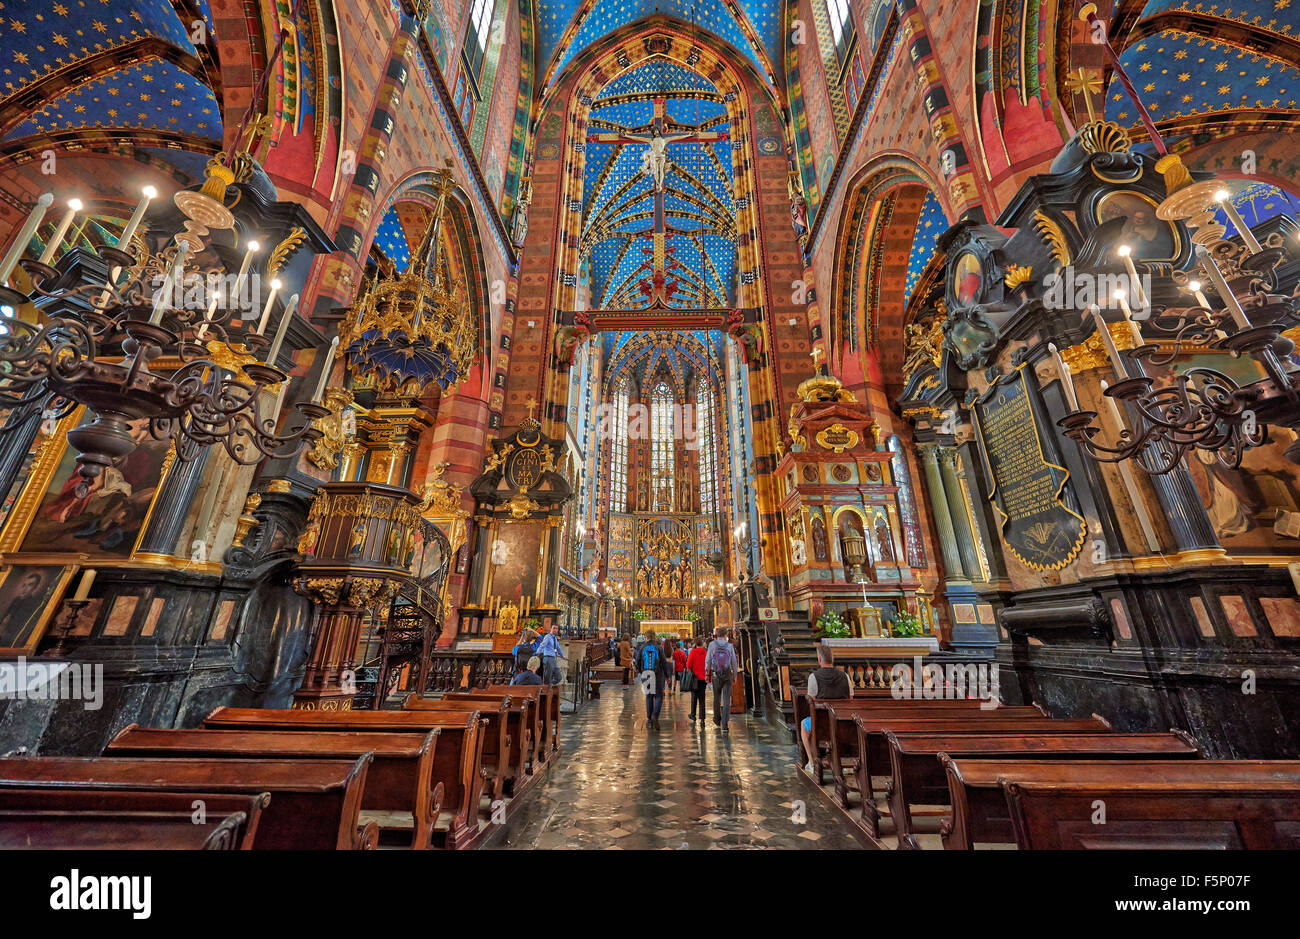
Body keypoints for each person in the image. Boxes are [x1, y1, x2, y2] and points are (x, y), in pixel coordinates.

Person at [800, 642, 853, 774]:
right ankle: (843, 762)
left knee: (803, 724)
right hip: (843, 722)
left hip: (821, 725)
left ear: (819, 659)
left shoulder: (814, 677)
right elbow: (851, 699)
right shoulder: (845, 676)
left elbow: (812, 701)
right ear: (832, 659)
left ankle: (812, 763)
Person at [705, 628, 738, 734]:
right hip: (728, 674)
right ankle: (724, 724)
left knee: (716, 698)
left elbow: (708, 660)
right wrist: (735, 675)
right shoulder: (729, 646)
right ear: (726, 635)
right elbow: (734, 661)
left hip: (716, 674)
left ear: (716, 635)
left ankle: (717, 719)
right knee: (727, 699)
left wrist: (707, 673)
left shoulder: (712, 645)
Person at [637, 631, 669, 730]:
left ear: (646, 637)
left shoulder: (642, 647)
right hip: (657, 674)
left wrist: (641, 672)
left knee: (649, 696)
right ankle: (655, 715)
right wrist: (667, 676)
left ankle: (649, 719)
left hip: (646, 674)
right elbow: (664, 662)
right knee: (658, 696)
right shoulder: (659, 647)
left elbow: (637, 661)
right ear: (654, 637)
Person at [684, 637, 707, 722]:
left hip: (695, 678)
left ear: (695, 644)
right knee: (702, 698)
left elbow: (688, 665)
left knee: (694, 697)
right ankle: (702, 717)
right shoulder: (705, 652)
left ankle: (693, 715)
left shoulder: (693, 652)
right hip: (703, 678)